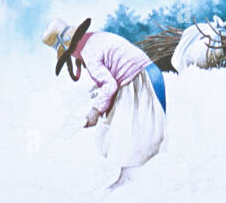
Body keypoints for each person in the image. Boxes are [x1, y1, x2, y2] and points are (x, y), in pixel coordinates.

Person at [42, 17, 167, 190]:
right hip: (149, 74)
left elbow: (111, 84)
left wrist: (95, 110)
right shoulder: (94, 39)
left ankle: (128, 178)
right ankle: (130, 176)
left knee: (127, 132)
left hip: (141, 80)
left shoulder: (89, 54)